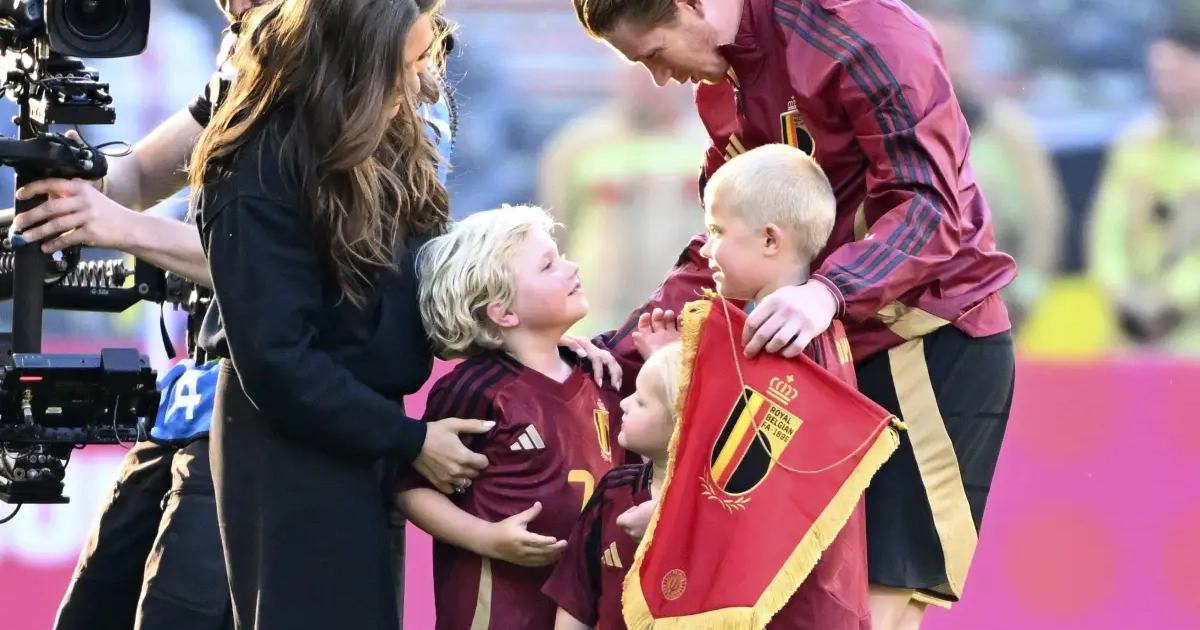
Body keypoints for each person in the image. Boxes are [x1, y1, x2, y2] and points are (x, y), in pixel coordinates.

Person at [570, 2, 1017, 629]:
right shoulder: (726, 82)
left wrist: (828, 292)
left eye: (652, 53)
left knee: (875, 605)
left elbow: (930, 206)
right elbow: (728, 245)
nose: (659, 79)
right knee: (798, 601)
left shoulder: (863, 34)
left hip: (924, 338)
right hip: (814, 355)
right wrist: (611, 349)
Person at [187, 1, 486, 628]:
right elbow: (277, 362)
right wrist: (409, 440)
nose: (417, 88)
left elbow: (431, 281)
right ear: (353, 60)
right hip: (291, 457)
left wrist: (538, 342)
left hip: (373, 437)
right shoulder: (255, 163)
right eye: (403, 67)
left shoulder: (382, 136)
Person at [544, 144, 870, 630]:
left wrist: (665, 513)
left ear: (769, 240)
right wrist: (667, 367)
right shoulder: (789, 328)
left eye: (717, 231)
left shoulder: (785, 338)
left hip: (790, 607)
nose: (706, 250)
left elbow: (764, 475)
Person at [396, 205, 629, 629]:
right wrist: (489, 539)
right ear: (503, 312)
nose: (572, 266)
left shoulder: (596, 371)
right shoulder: (476, 391)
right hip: (499, 612)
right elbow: (410, 490)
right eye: (548, 265)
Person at [1089, 17, 1200, 353]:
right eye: (1158, 72)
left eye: (1175, 71)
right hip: (1133, 329)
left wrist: (1170, 297)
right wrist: (1120, 292)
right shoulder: (1135, 142)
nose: (1163, 83)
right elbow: (1107, 228)